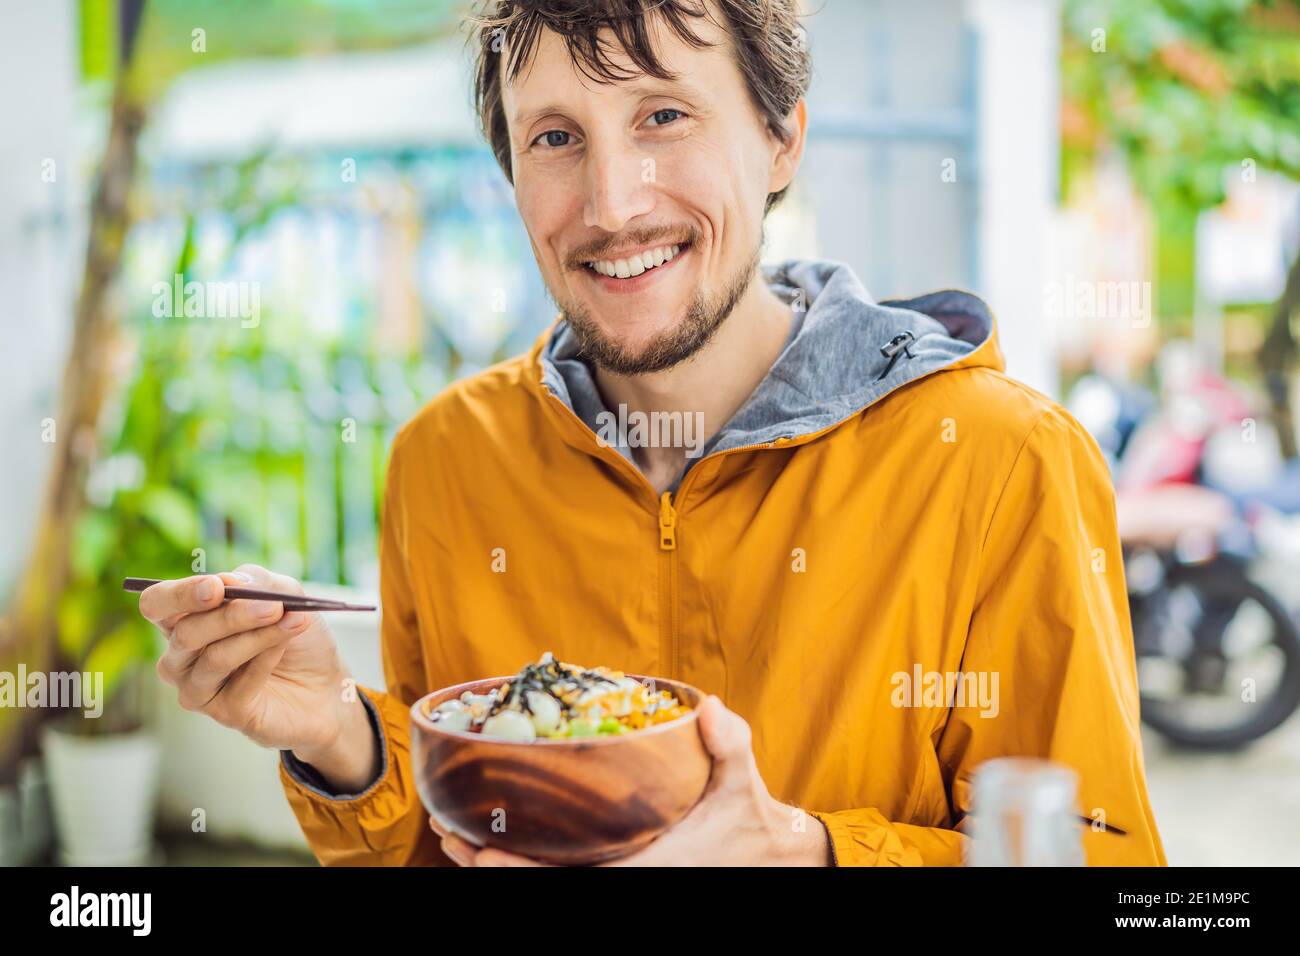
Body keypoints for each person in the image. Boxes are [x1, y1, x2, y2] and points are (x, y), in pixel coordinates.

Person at [141, 0, 1166, 866]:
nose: (611, 202)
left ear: (780, 139)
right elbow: (449, 840)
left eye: (664, 114)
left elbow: (1101, 856)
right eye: (554, 136)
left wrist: (808, 849)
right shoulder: (443, 460)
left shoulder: (1003, 461)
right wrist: (344, 739)